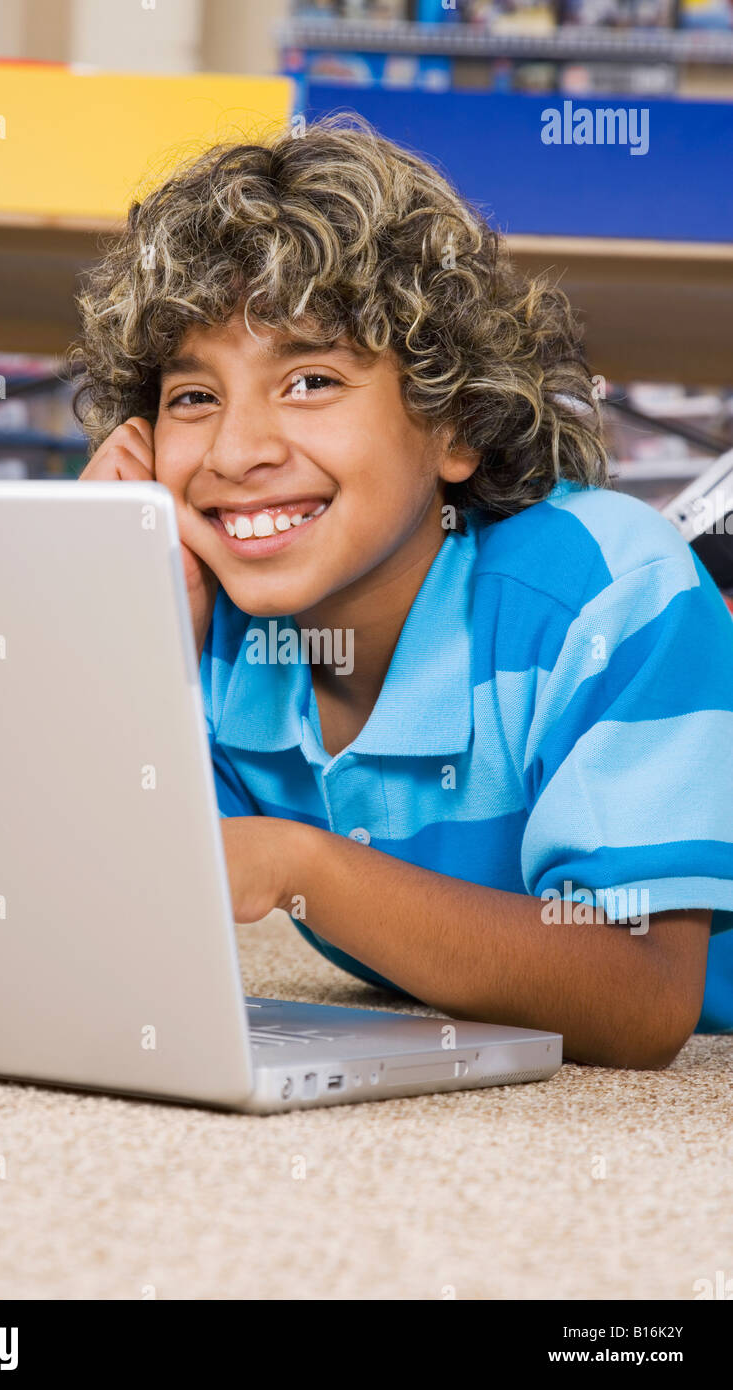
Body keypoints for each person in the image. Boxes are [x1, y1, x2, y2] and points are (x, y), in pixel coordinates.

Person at [74, 116, 733, 1067]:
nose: (235, 450)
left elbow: (643, 999)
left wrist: (302, 868)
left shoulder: (608, 595)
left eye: (309, 380)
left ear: (453, 427)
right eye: (193, 397)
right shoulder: (212, 630)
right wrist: (126, 637)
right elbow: (87, 909)